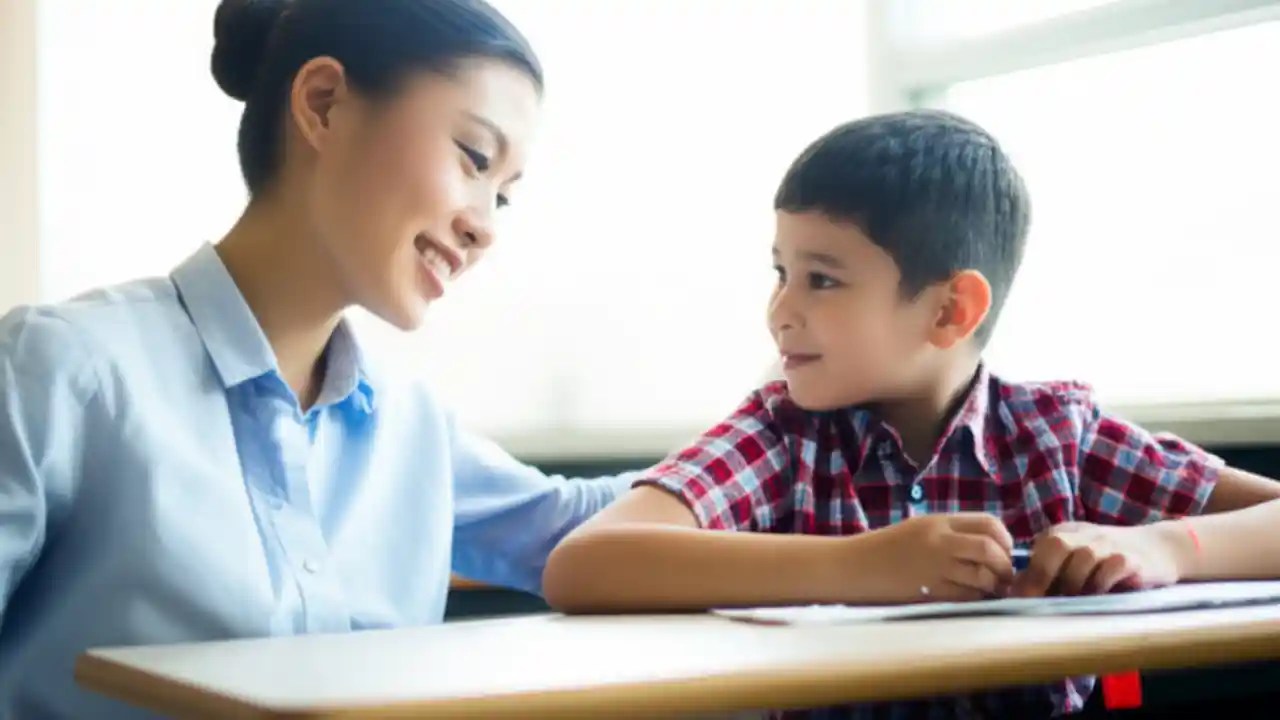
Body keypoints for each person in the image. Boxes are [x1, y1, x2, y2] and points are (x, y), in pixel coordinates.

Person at [0, 1, 633, 717]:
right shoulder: (61, 372)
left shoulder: (411, 434)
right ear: (324, 104)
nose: (484, 226)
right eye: (475, 158)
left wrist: (780, 430)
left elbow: (578, 525)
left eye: (504, 197)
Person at [542, 110, 1280, 717]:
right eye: (780, 272)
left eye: (821, 280)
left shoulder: (1057, 437)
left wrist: (1168, 550)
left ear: (950, 311)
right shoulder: (784, 435)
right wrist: (864, 567)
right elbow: (583, 566)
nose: (780, 312)